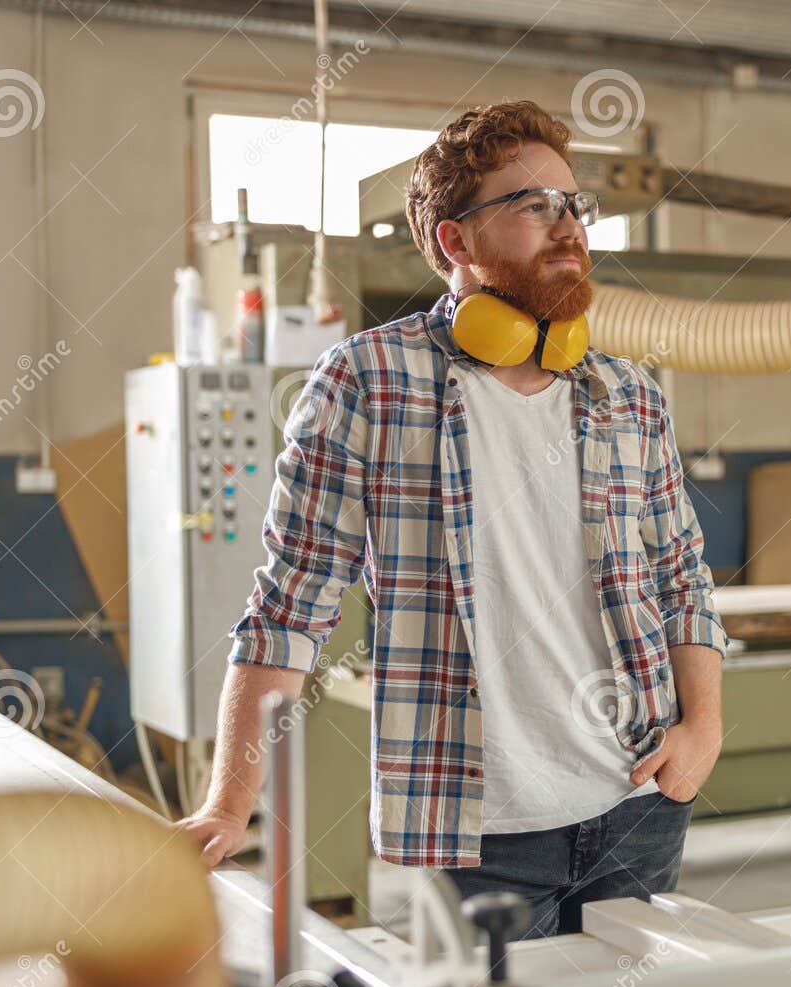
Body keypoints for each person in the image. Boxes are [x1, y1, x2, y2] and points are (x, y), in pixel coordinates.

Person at [175, 100, 727, 938]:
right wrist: (227, 807)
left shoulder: (628, 393)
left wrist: (703, 730)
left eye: (573, 204)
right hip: (478, 828)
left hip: (640, 803)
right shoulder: (367, 382)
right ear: (454, 242)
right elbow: (289, 610)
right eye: (533, 205)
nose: (567, 226)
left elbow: (681, 574)